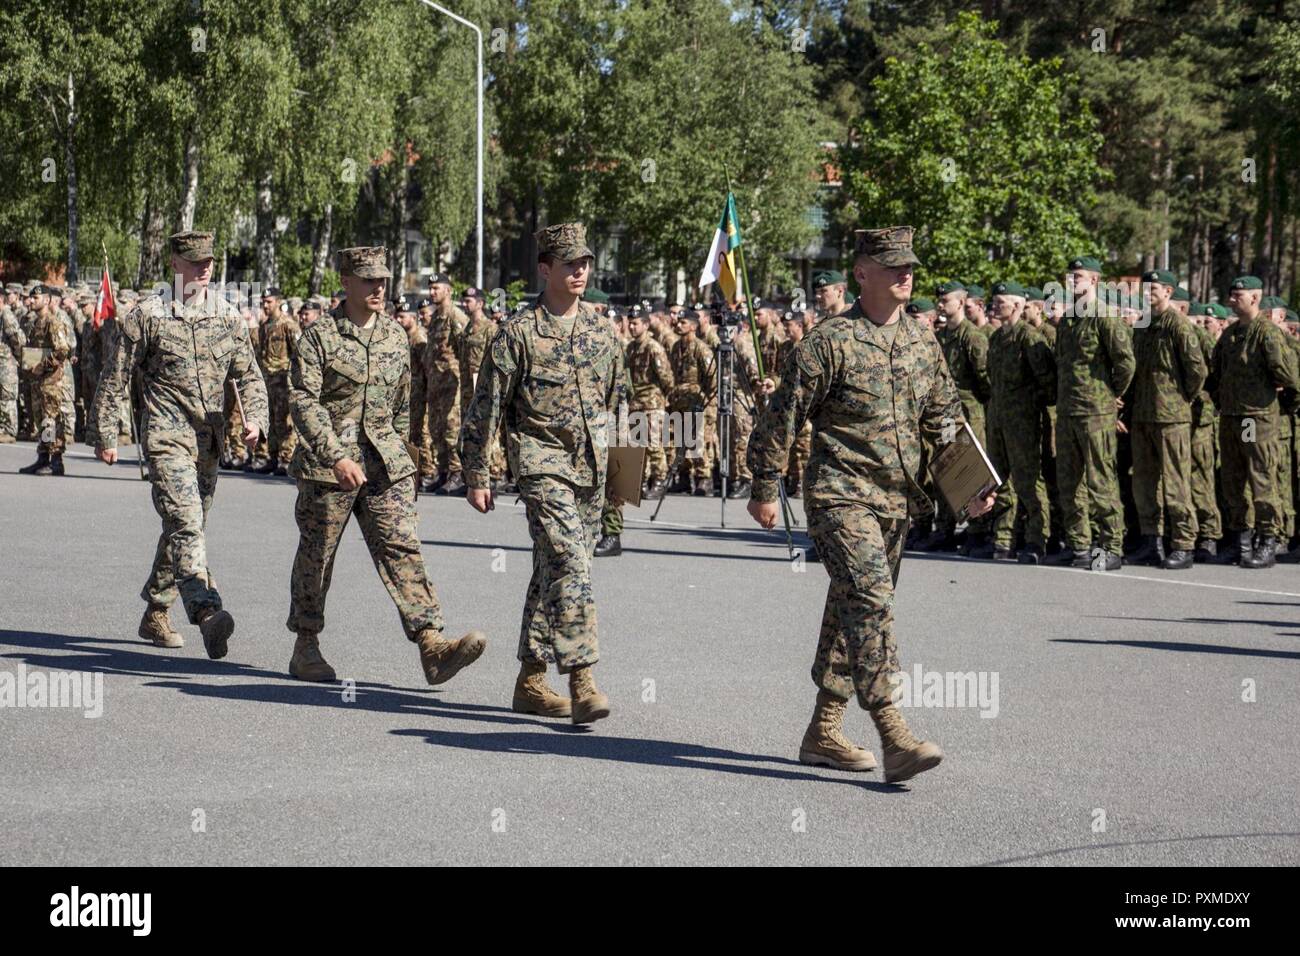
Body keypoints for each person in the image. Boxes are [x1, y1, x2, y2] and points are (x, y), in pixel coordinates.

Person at [748, 225, 995, 785]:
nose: (906, 273)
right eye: (892, 266)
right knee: (872, 600)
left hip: (896, 500)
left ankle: (823, 732)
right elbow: (783, 415)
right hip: (840, 493)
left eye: (909, 265)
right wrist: (766, 484)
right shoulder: (829, 342)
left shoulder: (921, 340)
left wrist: (970, 487)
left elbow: (944, 421)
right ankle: (893, 730)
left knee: (851, 609)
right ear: (862, 273)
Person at [283, 247, 486, 683]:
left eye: (383, 280)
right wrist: (334, 454)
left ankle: (432, 643)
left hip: (384, 464)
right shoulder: (320, 337)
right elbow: (303, 401)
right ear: (346, 283)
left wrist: (407, 464)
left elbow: (401, 407)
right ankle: (306, 645)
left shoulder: (396, 336)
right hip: (329, 466)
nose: (379, 287)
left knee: (402, 546)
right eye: (369, 280)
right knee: (318, 557)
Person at [461, 222, 625, 725]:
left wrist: (624, 481)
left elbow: (620, 405)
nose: (579, 271)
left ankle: (531, 679)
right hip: (541, 465)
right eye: (568, 263)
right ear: (545, 268)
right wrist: (476, 472)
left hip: (593, 470)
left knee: (555, 569)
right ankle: (582, 679)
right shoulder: (517, 332)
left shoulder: (603, 331)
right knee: (570, 564)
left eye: (585, 262)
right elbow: (487, 406)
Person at [92, 231, 268, 657]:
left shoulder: (227, 316)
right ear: (174, 263)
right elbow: (116, 375)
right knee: (186, 519)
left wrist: (257, 419)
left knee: (186, 525)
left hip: (209, 439)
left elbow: (249, 376)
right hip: (166, 435)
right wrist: (105, 433)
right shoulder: (147, 314)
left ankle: (156, 609)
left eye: (208, 260)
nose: (204, 268)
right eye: (194, 261)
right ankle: (207, 611)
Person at [1209, 275, 1300, 568]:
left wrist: (1283, 406)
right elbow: (1215, 373)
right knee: (1232, 480)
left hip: (1254, 420)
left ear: (1255, 298)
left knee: (1260, 477)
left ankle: (1268, 539)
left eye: (1238, 295)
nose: (1232, 300)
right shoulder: (1231, 334)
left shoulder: (1267, 333)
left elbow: (1288, 377)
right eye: (1231, 295)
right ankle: (1240, 540)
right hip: (1232, 417)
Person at [1053, 256, 1135, 569]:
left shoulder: (1104, 318)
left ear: (1095, 281)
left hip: (1095, 412)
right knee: (1069, 482)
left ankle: (1111, 547)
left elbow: (1125, 363)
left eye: (1079, 276)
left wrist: (1111, 394)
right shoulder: (1069, 320)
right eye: (1069, 276)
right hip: (1068, 411)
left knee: (1101, 481)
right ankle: (1080, 547)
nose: (1072, 280)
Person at [1128, 272, 1207, 569]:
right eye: (1144, 287)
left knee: (1175, 482)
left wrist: (1180, 398)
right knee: (1145, 482)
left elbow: (1197, 371)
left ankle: (1184, 544)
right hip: (1143, 414)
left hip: (1171, 416)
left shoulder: (1179, 325)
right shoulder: (1143, 323)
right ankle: (1152, 541)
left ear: (1169, 291)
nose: (1147, 292)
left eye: (1154, 288)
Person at [17, 285, 72, 475]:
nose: (31, 301)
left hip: (51, 382)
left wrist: (42, 366)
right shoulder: (36, 323)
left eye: (36, 297)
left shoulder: (52, 323)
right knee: (41, 421)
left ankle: (55, 460)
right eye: (31, 298)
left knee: (51, 421)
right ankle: (42, 458)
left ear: (47, 300)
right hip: (37, 382)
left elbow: (62, 350)